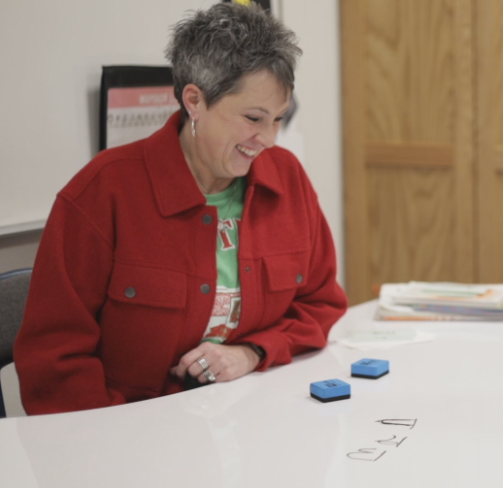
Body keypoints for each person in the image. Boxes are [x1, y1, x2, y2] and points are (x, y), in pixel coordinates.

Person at [14, 3, 347, 414]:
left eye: (278, 119)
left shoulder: (287, 177)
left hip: (255, 417)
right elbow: (53, 360)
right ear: (195, 100)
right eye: (253, 117)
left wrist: (251, 353)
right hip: (130, 442)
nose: (268, 139)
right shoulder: (104, 192)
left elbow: (320, 304)